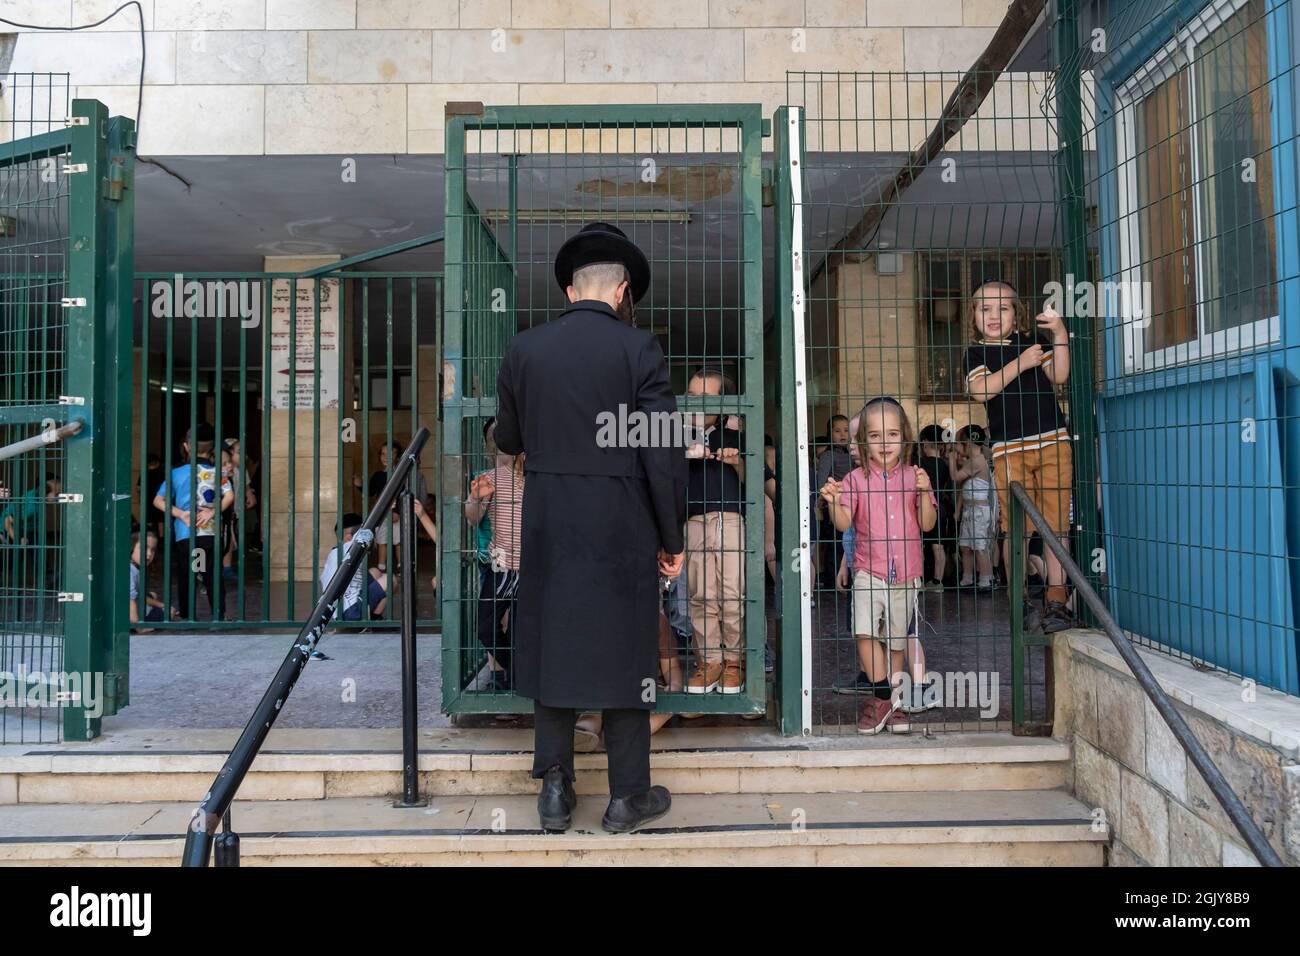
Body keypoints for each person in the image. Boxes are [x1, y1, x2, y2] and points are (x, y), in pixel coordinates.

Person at [494, 221, 686, 834]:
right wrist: (672, 539)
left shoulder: (525, 349)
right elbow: (661, 453)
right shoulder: (640, 350)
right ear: (623, 289)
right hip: (620, 520)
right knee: (627, 648)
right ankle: (627, 797)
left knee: (553, 638)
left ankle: (555, 788)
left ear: (571, 291)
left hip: (549, 516)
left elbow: (509, 438)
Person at [963, 281, 1075, 633]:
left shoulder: (1031, 345)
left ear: (1018, 313)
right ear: (974, 316)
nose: (994, 316)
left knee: (1057, 522)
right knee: (1017, 526)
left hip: (1052, 440)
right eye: (985, 309)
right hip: (1010, 448)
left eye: (1003, 308)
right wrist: (1020, 363)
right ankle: (1021, 600)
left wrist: (1059, 335)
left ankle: (1057, 599)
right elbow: (981, 390)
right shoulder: (977, 354)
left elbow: (1059, 374)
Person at [821, 397, 937, 735]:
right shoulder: (855, 480)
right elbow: (844, 524)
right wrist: (832, 503)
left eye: (892, 434)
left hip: (906, 572)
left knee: (897, 641)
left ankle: (892, 705)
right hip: (868, 569)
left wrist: (926, 490)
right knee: (864, 632)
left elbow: (927, 524)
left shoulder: (914, 477)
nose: (884, 443)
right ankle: (883, 693)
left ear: (905, 437)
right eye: (874, 436)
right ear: (862, 442)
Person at [683, 368, 748, 695]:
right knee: (700, 594)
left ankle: (735, 661)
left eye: (706, 399)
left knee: (732, 593)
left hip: (730, 518)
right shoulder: (676, 432)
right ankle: (709, 661)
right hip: (693, 519)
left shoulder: (735, 432)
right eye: (691, 397)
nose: (696, 404)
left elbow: (754, 478)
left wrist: (736, 461)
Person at [153, 423, 232, 620]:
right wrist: (212, 512)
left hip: (186, 533)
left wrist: (181, 514)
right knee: (211, 575)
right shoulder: (218, 474)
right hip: (209, 534)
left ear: (187, 446)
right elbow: (229, 496)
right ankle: (218, 616)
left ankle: (188, 616)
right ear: (213, 449)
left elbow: (158, 500)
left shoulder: (176, 473)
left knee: (188, 575)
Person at [464, 449, 525, 690]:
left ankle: (517, 679)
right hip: (502, 565)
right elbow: (473, 518)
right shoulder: (492, 477)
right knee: (486, 627)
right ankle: (516, 672)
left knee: (522, 630)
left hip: (535, 566)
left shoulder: (543, 477)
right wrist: (476, 498)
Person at [949, 424, 998, 592]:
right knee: (966, 546)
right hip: (970, 510)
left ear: (968, 443)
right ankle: (967, 578)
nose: (957, 447)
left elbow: (955, 477)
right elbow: (966, 487)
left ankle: (985, 580)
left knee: (979, 546)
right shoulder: (973, 461)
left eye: (959, 443)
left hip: (978, 511)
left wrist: (950, 459)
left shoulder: (977, 461)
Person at [319, 512, 388, 621]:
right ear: (349, 537)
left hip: (339, 612)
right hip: (351, 612)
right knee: (389, 580)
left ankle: (370, 616)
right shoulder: (350, 547)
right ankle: (375, 619)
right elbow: (367, 533)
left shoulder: (337, 552)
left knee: (375, 572)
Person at [814, 415, 853, 592]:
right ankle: (832, 583)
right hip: (834, 506)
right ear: (830, 434)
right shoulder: (828, 455)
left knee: (850, 543)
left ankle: (848, 579)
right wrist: (821, 501)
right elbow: (822, 481)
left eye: (846, 430)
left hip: (854, 506)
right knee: (835, 545)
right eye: (837, 431)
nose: (842, 434)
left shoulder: (854, 454)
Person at [916, 424, 955, 589]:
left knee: (918, 546)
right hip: (941, 510)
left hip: (921, 509)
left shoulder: (918, 463)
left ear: (924, 443)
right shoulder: (945, 465)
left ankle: (919, 580)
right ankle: (938, 582)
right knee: (938, 547)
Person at [128, 529, 172, 631]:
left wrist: (163, 605)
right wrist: (139, 628)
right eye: (144, 548)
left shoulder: (134, 567)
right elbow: (129, 599)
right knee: (169, 613)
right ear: (132, 547)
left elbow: (139, 595)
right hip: (129, 618)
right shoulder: (130, 570)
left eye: (153, 550)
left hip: (131, 609)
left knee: (152, 595)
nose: (149, 554)